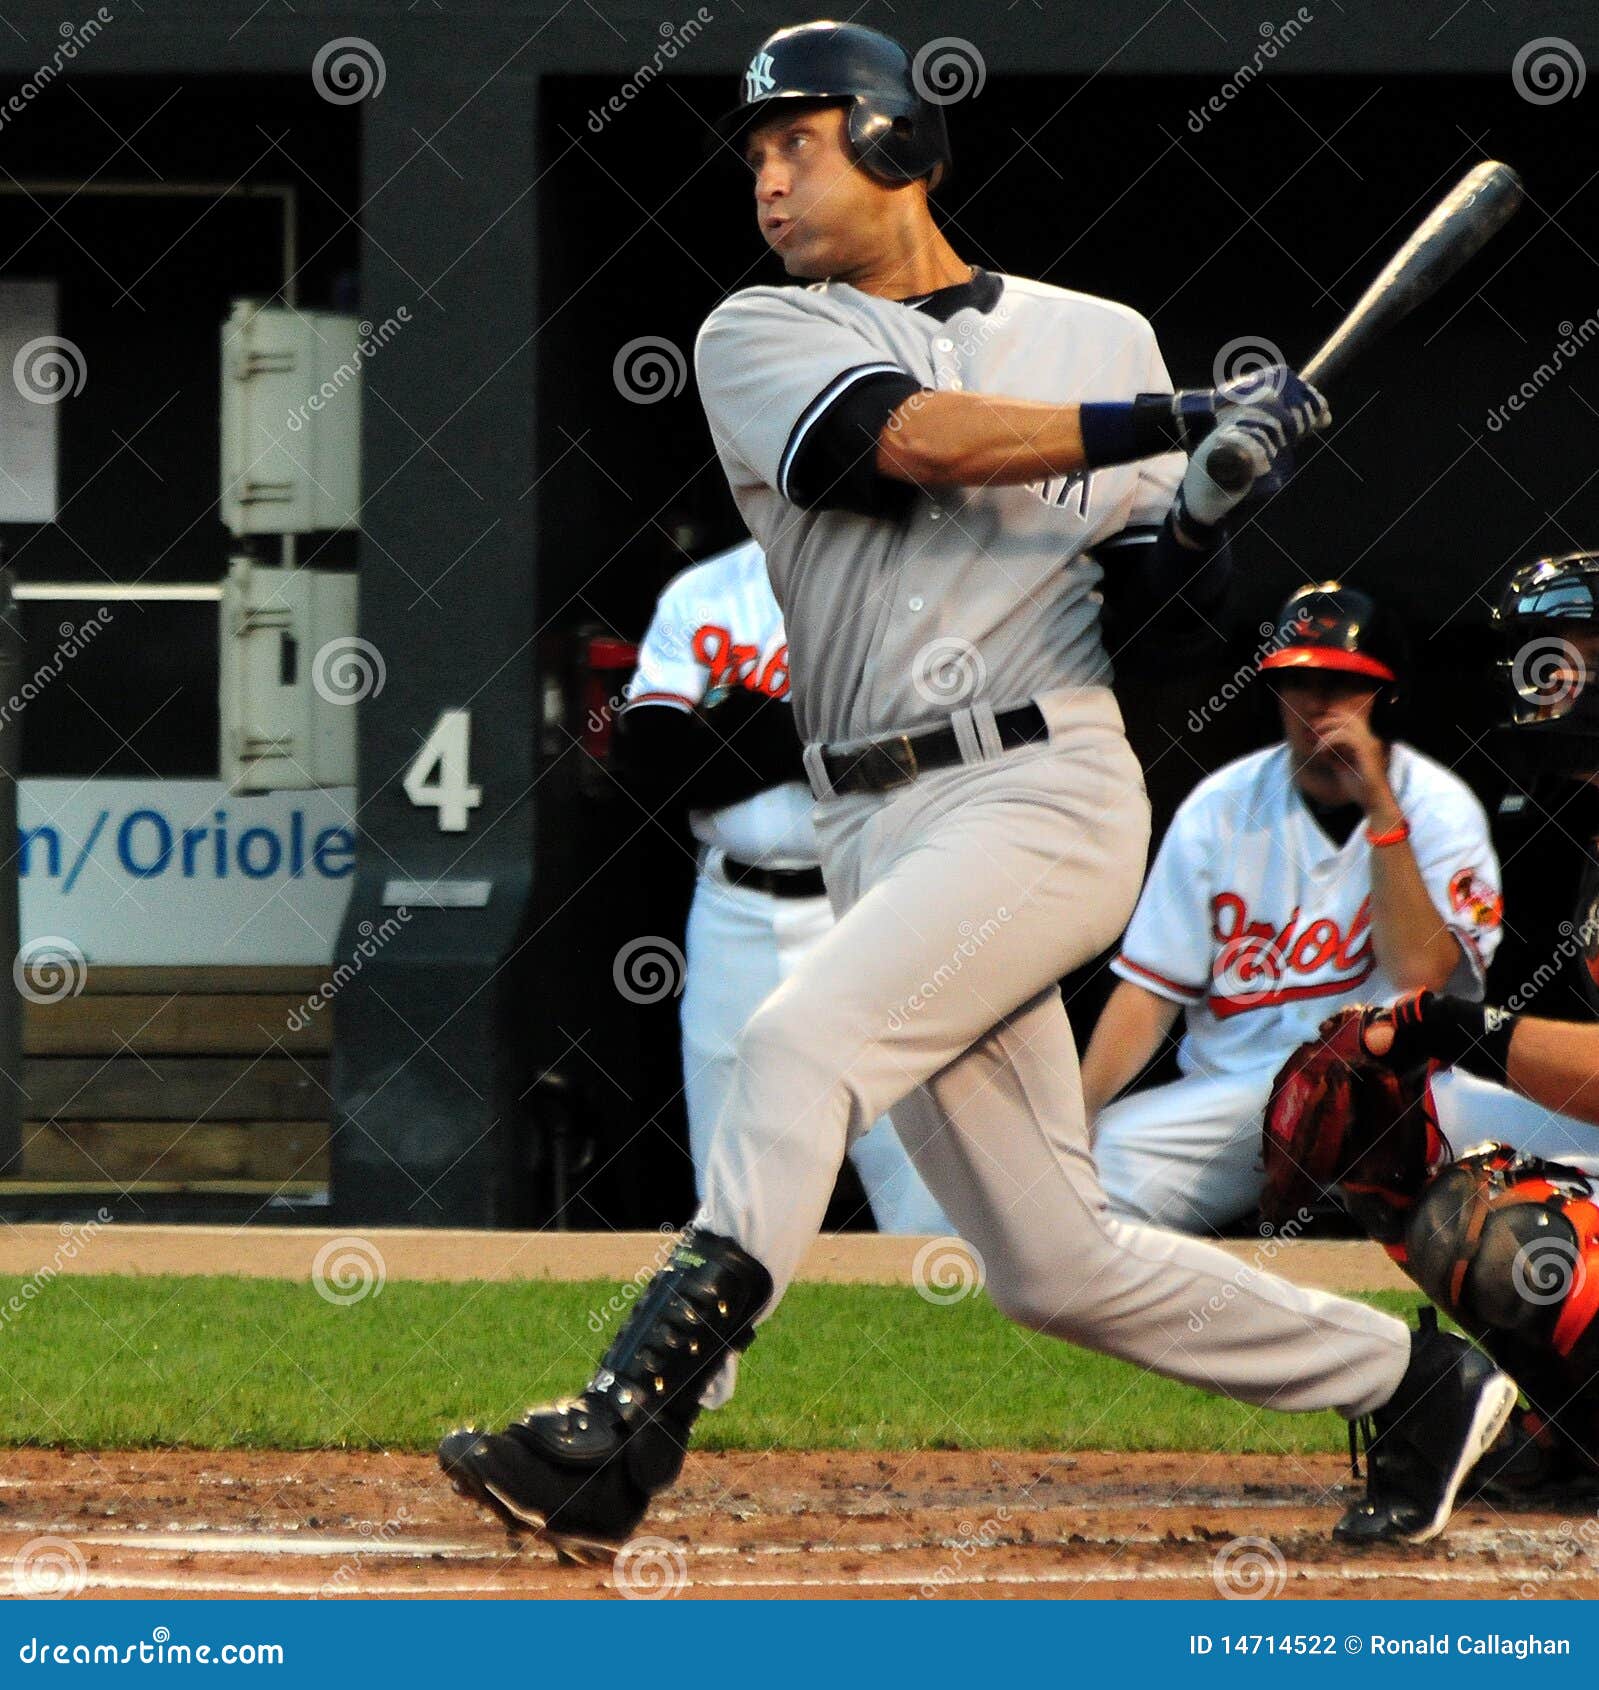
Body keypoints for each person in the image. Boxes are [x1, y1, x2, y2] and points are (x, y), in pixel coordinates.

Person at [439, 18, 1515, 1558]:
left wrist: (1204, 518)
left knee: (796, 1037)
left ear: (893, 142)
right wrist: (1176, 427)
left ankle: (629, 1419)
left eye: (797, 140)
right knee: (1048, 1262)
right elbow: (915, 443)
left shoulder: (1099, 333)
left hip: (1042, 794)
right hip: (872, 817)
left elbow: (1153, 623)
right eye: (754, 152)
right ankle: (1412, 1380)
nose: (767, 178)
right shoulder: (759, 333)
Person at [1262, 552, 1599, 1495]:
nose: (1542, 669)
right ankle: (1565, 1420)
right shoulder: (1553, 813)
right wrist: (1418, 1036)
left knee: (1512, 1237)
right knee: (1362, 1099)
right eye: (1534, 645)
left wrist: (1452, 1025)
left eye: (1569, 643)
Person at [1083, 581, 1505, 1233]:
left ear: (1385, 697)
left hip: (1398, 1095)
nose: (1318, 705)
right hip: (1235, 1110)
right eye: (1299, 683)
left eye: (1342, 684)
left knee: (1561, 1149)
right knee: (1094, 1164)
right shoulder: (1218, 807)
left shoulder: (1439, 808)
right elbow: (1147, 992)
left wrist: (1380, 815)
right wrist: (1072, 1114)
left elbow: (1418, 975)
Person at [617, 533, 950, 1233]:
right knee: (727, 1174)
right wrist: (811, 730)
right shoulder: (704, 592)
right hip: (731, 907)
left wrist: (735, 727)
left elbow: (914, 760)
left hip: (869, 901)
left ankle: (932, 1330)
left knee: (914, 1168)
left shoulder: (907, 586)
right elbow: (650, 765)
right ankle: (730, 1336)